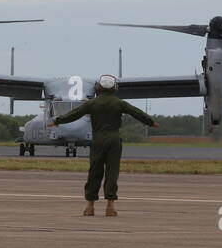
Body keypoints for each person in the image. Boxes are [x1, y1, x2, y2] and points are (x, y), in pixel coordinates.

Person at [48, 75, 157, 216]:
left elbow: (75, 114)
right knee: (112, 173)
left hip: (98, 140)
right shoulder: (119, 103)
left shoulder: (92, 103)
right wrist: (150, 122)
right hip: (114, 140)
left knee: (94, 172)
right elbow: (137, 112)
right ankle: (110, 207)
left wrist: (58, 120)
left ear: (98, 88)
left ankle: (90, 207)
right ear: (114, 88)